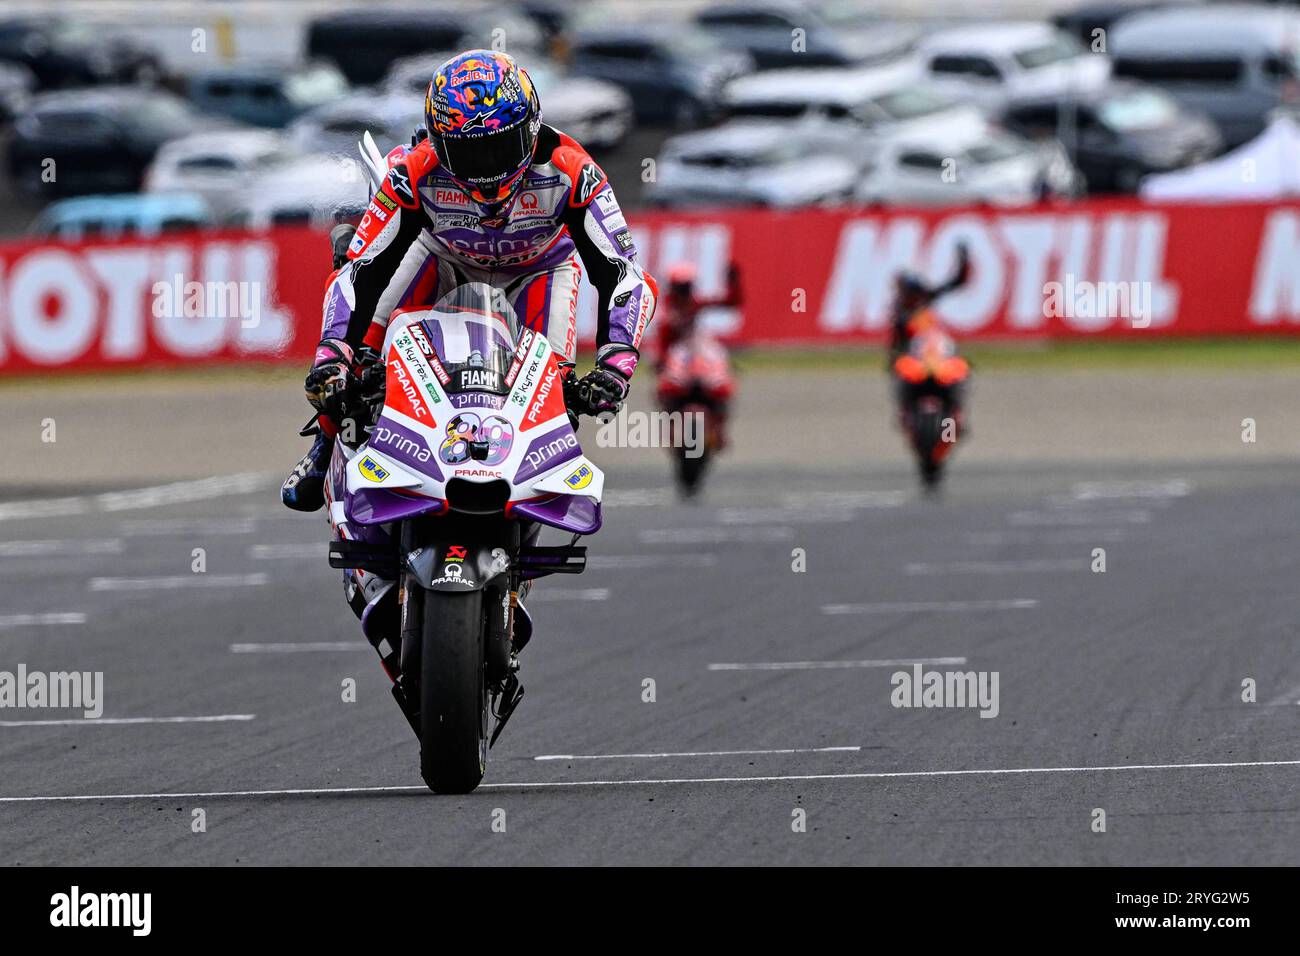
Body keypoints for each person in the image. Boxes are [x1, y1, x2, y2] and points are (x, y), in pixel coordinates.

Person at [282, 49, 657, 511]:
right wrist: (330, 357)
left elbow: (623, 273)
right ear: (438, 144)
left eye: (499, 147)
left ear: (532, 129)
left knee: (554, 396)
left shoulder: (575, 173)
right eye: (467, 151)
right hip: (439, 254)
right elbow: (361, 270)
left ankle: (519, 521)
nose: (487, 170)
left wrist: (614, 367)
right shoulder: (411, 173)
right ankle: (324, 446)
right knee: (360, 356)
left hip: (540, 268)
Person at [886, 243, 969, 370]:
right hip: (915, 355)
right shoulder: (900, 312)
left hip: (935, 347)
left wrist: (964, 260)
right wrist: (894, 361)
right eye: (907, 294)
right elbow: (897, 343)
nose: (910, 297)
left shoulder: (925, 299)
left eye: (912, 293)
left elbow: (956, 282)